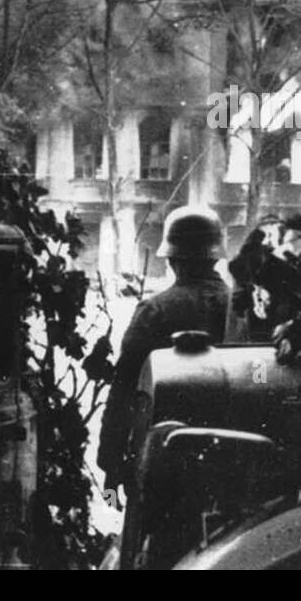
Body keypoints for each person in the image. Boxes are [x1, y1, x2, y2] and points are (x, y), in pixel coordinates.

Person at [98, 205, 230, 500]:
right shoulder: (241, 308)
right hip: (231, 453)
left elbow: (125, 386)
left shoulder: (155, 311)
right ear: (215, 256)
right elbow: (258, 374)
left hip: (162, 455)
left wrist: (111, 465)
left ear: (172, 258)